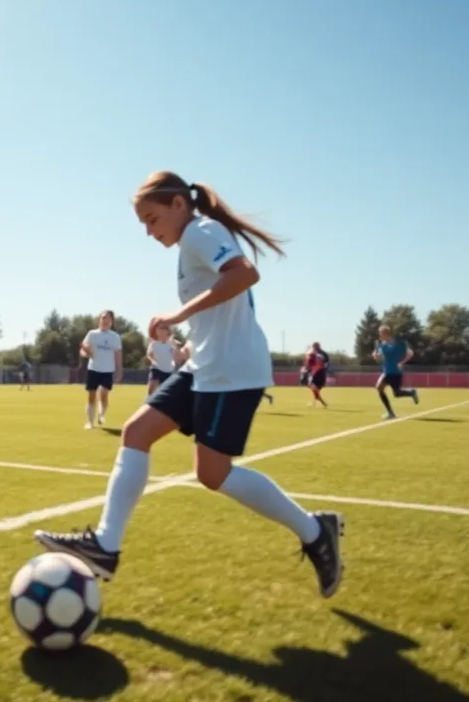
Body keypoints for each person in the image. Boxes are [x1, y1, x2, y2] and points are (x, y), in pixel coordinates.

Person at [35, 171, 343, 598]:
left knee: (212, 474)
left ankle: (315, 531)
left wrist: (176, 317)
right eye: (143, 223)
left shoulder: (200, 231)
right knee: (136, 432)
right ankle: (106, 547)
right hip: (203, 365)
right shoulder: (190, 242)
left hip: (230, 371)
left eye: (151, 218)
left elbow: (244, 274)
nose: (148, 231)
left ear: (179, 204)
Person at [80, 310, 123, 428]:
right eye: (103, 318)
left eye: (108, 318)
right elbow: (83, 349)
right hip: (93, 368)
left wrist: (119, 370)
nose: (105, 320)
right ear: (99, 320)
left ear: (111, 322)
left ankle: (102, 414)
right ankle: (90, 422)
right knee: (91, 395)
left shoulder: (115, 337)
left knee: (103, 393)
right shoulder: (92, 334)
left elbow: (118, 354)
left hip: (108, 370)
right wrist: (87, 353)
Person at [373, 326, 419, 419]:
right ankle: (390, 413)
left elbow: (410, 353)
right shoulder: (381, 345)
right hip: (386, 372)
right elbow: (379, 358)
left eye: (381, 333)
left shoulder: (399, 343)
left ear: (386, 333)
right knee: (379, 388)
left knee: (397, 393)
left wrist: (402, 362)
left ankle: (411, 393)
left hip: (396, 372)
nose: (380, 335)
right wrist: (375, 355)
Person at [146, 326, 180, 395]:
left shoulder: (172, 343)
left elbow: (177, 355)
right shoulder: (153, 343)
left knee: (166, 392)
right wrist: (153, 361)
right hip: (156, 368)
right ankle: (148, 403)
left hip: (168, 370)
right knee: (151, 390)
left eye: (162, 330)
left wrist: (176, 347)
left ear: (167, 332)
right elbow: (149, 354)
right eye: (159, 331)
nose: (160, 332)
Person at [305, 342, 330, 408]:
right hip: (316, 372)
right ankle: (320, 402)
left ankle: (320, 402)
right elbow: (309, 363)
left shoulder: (320, 354)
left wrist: (323, 367)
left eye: (315, 346)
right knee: (313, 387)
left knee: (314, 388)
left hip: (320, 372)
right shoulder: (312, 354)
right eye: (314, 346)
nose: (314, 347)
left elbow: (326, 362)